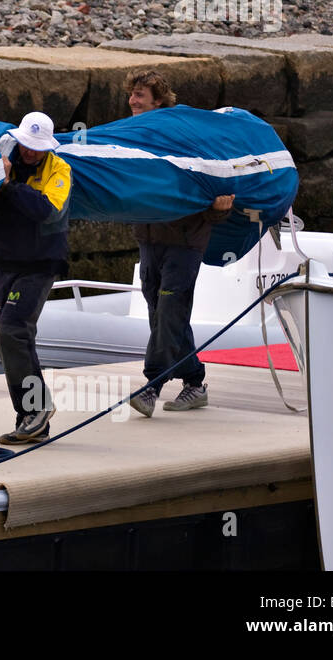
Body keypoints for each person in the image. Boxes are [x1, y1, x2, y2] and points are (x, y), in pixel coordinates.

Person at [124, 71, 234, 417]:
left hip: (186, 242)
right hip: (149, 238)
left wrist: (218, 209)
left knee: (170, 310)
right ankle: (195, 382)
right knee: (161, 314)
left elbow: (214, 184)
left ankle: (151, 386)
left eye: (140, 95)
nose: (132, 101)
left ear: (159, 101)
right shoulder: (132, 138)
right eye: (131, 94)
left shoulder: (182, 136)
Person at [0, 111, 72, 446]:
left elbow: (46, 209)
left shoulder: (59, 170)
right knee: (5, 338)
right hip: (5, 261)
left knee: (12, 331)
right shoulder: (3, 159)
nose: (30, 152)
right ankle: (31, 418)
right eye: (26, 144)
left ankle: (36, 409)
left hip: (40, 263)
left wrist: (8, 185)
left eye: (37, 147)